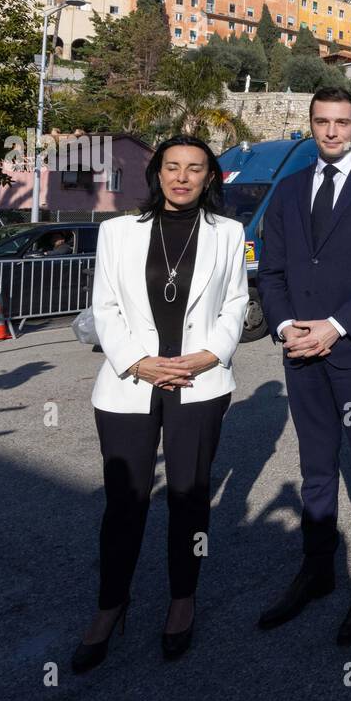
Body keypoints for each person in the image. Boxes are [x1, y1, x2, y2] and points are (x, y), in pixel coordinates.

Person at [73, 134, 249, 672]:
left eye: (195, 168)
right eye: (172, 167)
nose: (182, 177)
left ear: (208, 178)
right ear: (157, 174)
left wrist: (206, 357)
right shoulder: (117, 232)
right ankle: (111, 605)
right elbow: (104, 306)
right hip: (129, 382)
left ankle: (181, 598)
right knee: (125, 502)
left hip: (199, 382)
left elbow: (237, 302)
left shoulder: (228, 233)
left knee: (189, 498)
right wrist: (138, 362)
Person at [256, 87, 351, 646]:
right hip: (299, 352)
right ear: (311, 124)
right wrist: (283, 327)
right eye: (321, 122)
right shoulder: (289, 191)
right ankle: (318, 570)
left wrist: (336, 325)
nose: (330, 132)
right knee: (316, 467)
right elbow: (270, 273)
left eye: (341, 123)